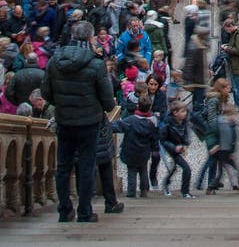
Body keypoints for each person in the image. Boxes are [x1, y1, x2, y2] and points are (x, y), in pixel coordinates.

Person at [41, 20, 115, 223]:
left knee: (63, 166)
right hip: (89, 122)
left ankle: (64, 209)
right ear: (90, 38)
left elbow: (46, 92)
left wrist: (63, 103)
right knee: (86, 165)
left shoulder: (55, 60)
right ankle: (84, 211)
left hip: (65, 120)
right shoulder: (96, 64)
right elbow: (108, 101)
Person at [112, 94, 160, 198]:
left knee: (132, 172)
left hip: (130, 151)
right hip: (144, 152)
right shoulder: (152, 122)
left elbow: (117, 127)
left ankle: (131, 193)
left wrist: (107, 125)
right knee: (143, 170)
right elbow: (154, 138)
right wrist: (155, 149)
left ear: (138, 105)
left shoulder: (130, 120)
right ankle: (144, 191)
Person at [159, 99, 194, 198]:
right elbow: (163, 139)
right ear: (175, 113)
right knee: (186, 168)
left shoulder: (184, 122)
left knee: (174, 167)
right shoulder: (167, 124)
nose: (185, 113)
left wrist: (184, 145)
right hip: (171, 147)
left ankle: (166, 184)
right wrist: (174, 148)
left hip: (178, 147)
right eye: (183, 111)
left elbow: (186, 136)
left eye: (185, 111)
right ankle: (185, 191)